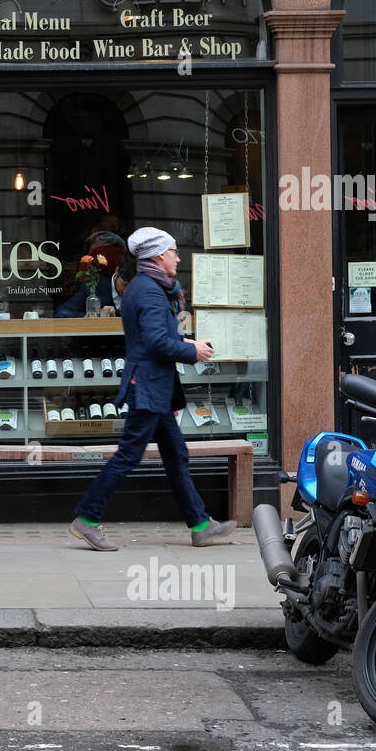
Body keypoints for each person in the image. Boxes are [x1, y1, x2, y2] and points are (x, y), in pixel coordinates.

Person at [67, 227, 237, 550]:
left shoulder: (144, 287)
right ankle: (86, 518)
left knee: (176, 454)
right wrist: (192, 351)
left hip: (154, 389)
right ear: (159, 256)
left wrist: (187, 343)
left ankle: (200, 524)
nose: (178, 258)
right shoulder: (149, 291)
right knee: (128, 455)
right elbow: (157, 342)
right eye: (174, 251)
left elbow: (155, 337)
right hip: (147, 388)